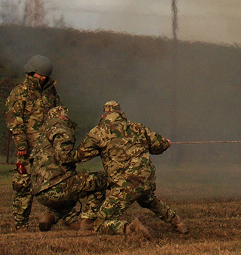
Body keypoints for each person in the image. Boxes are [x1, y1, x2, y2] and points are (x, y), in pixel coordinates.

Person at [77, 101, 188, 239]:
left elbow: (81, 154)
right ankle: (178, 223)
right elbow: (159, 145)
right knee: (148, 200)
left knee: (100, 224)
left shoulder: (98, 132)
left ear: (104, 114)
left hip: (125, 185)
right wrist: (167, 143)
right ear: (120, 113)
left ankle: (130, 228)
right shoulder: (138, 127)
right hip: (145, 180)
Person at [5, 55, 61, 231]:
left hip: (48, 148)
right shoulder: (19, 93)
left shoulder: (51, 93)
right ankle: (21, 225)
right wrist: (21, 144)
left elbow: (58, 115)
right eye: (40, 75)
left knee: (54, 183)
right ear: (31, 73)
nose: (43, 79)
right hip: (28, 149)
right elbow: (14, 121)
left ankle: (51, 219)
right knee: (23, 185)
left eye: (45, 76)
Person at [30, 106, 107, 232]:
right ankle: (89, 220)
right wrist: (88, 152)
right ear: (63, 117)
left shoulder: (42, 136)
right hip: (56, 187)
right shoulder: (61, 130)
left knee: (71, 188)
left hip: (40, 192)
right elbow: (65, 157)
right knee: (100, 179)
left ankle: (50, 216)